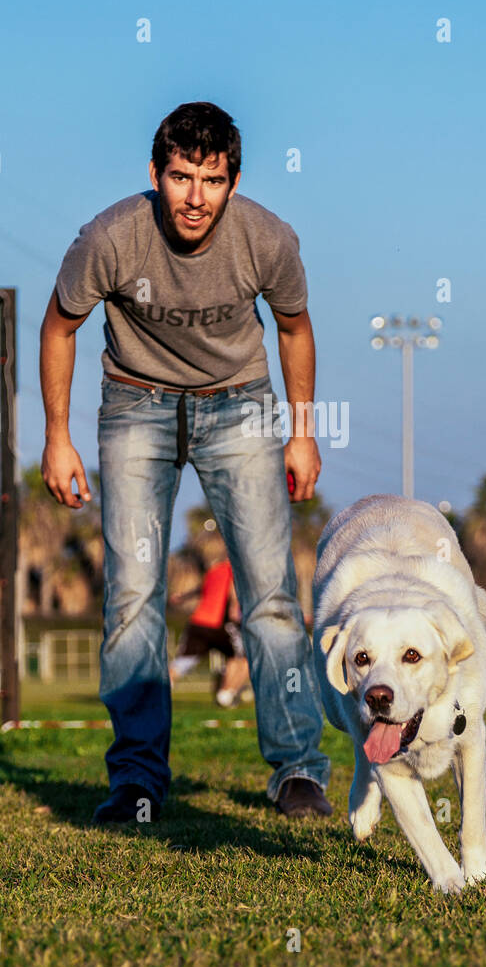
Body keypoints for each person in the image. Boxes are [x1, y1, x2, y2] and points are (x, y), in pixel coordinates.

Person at [40, 101, 331, 822]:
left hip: (241, 407)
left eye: (211, 179)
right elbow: (60, 325)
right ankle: (137, 779)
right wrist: (57, 435)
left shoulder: (267, 238)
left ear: (233, 181)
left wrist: (301, 432)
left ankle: (298, 770)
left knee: (269, 596)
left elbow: (294, 329)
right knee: (133, 596)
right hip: (135, 407)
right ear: (154, 174)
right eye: (179, 177)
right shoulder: (109, 238)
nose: (194, 197)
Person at [169, 553, 250, 708]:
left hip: (197, 622)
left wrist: (182, 597)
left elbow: (202, 589)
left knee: (183, 661)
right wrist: (235, 606)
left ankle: (161, 689)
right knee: (242, 658)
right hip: (219, 624)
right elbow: (233, 586)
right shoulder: (235, 568)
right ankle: (226, 694)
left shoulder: (213, 570)